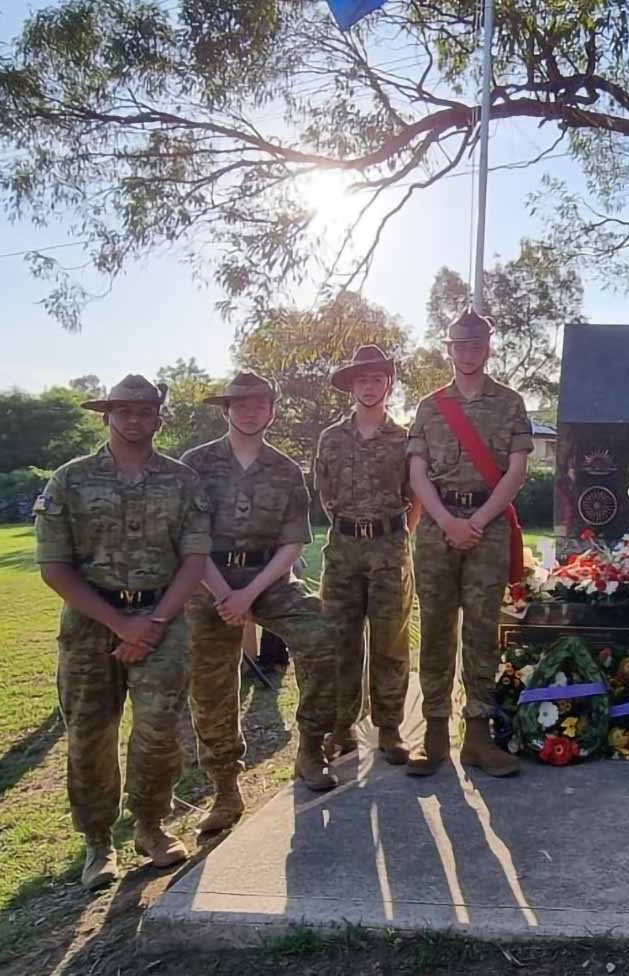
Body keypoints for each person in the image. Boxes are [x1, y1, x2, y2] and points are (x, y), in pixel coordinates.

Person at [34, 375, 210, 889]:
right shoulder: (69, 480)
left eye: (145, 410)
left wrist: (151, 625)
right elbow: (54, 566)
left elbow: (195, 559)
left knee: (159, 732)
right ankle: (97, 841)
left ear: (158, 416)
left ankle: (152, 826)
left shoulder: (182, 481)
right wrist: (120, 625)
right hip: (92, 625)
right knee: (90, 736)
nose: (135, 419)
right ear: (106, 415)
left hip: (162, 618)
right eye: (124, 410)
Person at [182, 371, 337, 836]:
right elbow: (188, 539)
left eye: (260, 403)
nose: (251, 411)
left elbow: (293, 543)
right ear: (226, 409)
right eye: (241, 403)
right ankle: (226, 788)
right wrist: (223, 593)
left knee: (322, 636)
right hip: (206, 580)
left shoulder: (286, 470)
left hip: (267, 578)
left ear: (271, 410)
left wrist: (249, 594)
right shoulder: (195, 464)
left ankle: (310, 747)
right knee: (210, 687)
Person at [405, 310, 532, 778]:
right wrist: (445, 520)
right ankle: (434, 731)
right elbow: (417, 472)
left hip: (488, 525)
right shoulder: (429, 406)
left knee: (481, 631)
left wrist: (476, 520)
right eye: (460, 344)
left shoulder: (511, 403)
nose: (468, 351)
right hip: (439, 528)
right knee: (436, 630)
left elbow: (516, 472)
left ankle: (477, 734)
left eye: (476, 344)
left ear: (488, 348)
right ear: (448, 348)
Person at [314, 344, 415, 765]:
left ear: (388, 384)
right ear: (350, 388)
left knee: (390, 640)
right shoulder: (331, 439)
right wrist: (352, 529)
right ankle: (341, 727)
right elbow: (324, 493)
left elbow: (416, 496)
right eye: (361, 380)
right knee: (340, 640)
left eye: (377, 379)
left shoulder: (405, 440)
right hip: (343, 551)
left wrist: (395, 536)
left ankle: (389, 728)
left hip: (390, 548)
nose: (369, 387)